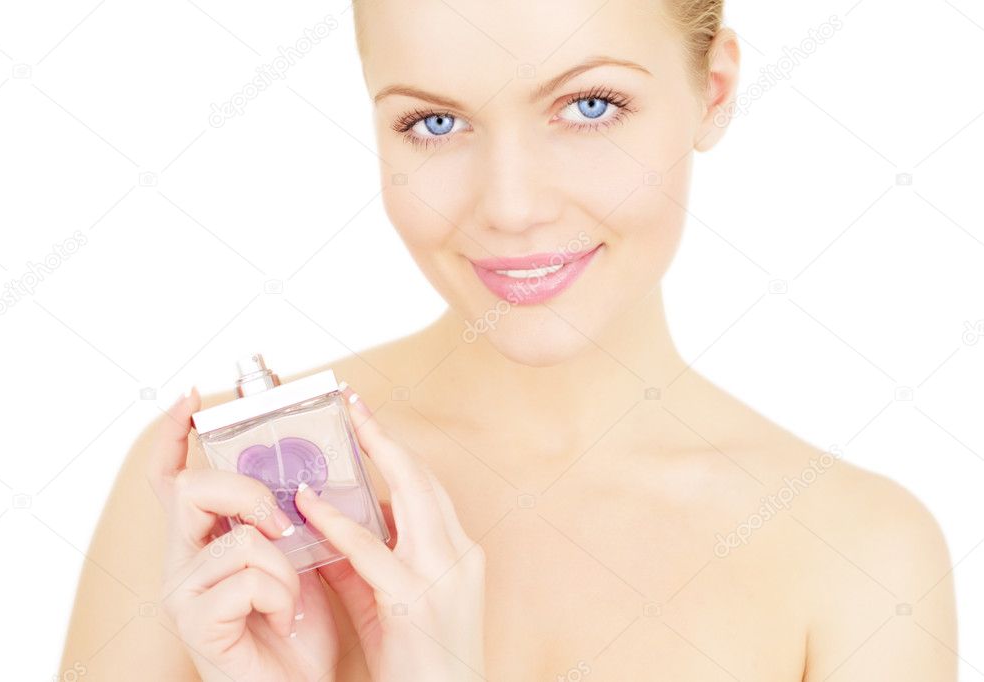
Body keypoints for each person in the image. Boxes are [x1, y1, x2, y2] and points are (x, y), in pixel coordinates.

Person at [59, 0, 959, 679]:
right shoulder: (223, 493)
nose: (512, 206)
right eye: (434, 123)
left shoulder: (857, 555)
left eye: (591, 106)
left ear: (711, 91)